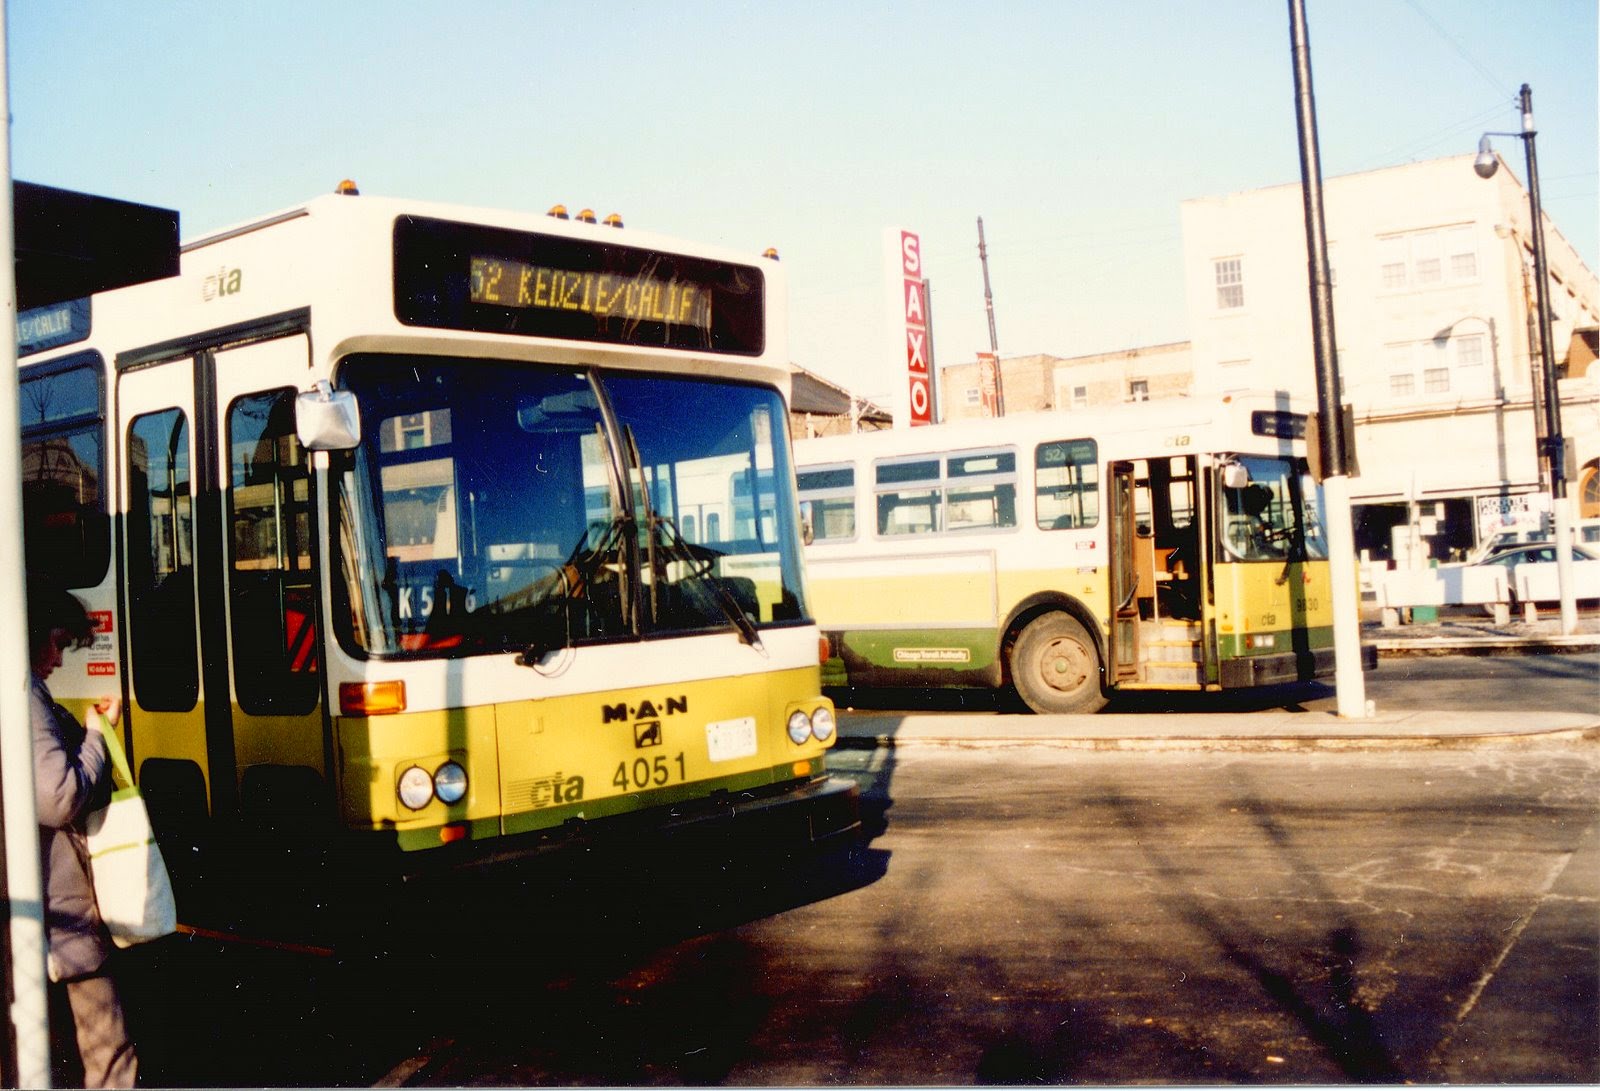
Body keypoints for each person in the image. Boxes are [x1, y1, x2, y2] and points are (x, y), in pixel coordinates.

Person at [28, 583, 139, 1088]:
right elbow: (60, 796)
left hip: (37, 907)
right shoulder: (25, 696)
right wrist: (96, 735)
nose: (57, 659)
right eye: (56, 642)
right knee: (107, 1052)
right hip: (61, 904)